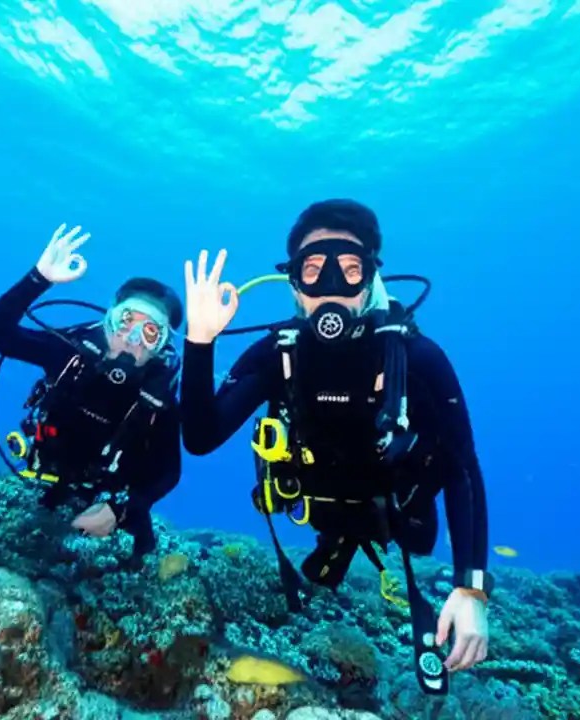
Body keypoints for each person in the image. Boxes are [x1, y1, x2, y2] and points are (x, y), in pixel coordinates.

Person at [178, 199, 492, 692]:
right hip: (320, 508)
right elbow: (199, 438)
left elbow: (463, 469)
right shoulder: (277, 353)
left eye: (349, 271)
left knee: (413, 539)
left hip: (398, 513)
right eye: (313, 270)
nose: (331, 289)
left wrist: (470, 587)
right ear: (294, 284)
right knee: (328, 552)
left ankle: (359, 548)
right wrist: (199, 341)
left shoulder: (416, 357)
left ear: (370, 279)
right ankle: (340, 543)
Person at [0, 222, 184, 566]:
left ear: (161, 347)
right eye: (126, 320)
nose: (131, 340)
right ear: (108, 320)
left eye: (149, 332)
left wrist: (121, 509)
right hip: (50, 466)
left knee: (138, 550)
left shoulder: (157, 395)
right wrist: (39, 278)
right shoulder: (70, 353)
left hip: (109, 488)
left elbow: (169, 472)